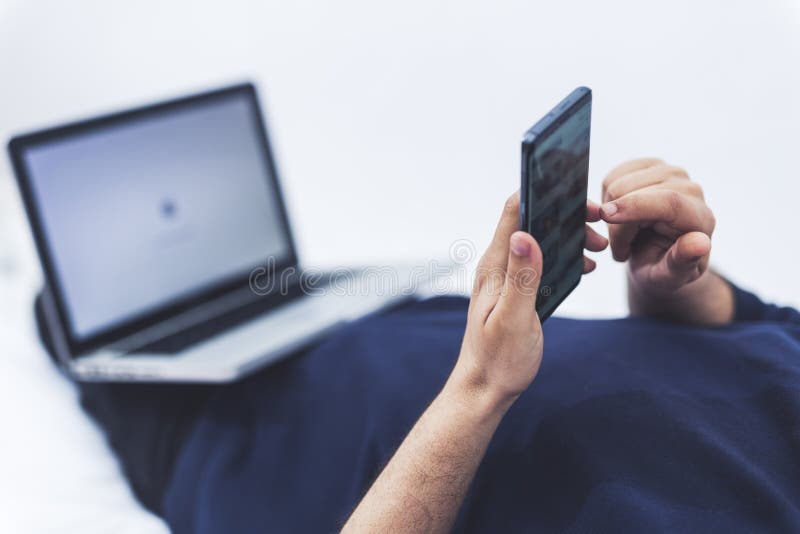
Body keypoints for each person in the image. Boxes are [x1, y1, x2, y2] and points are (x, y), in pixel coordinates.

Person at [75, 159, 800, 533]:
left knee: (75, 300)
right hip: (394, 324)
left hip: (241, 441)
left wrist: (479, 391)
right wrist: (666, 282)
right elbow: (750, 326)